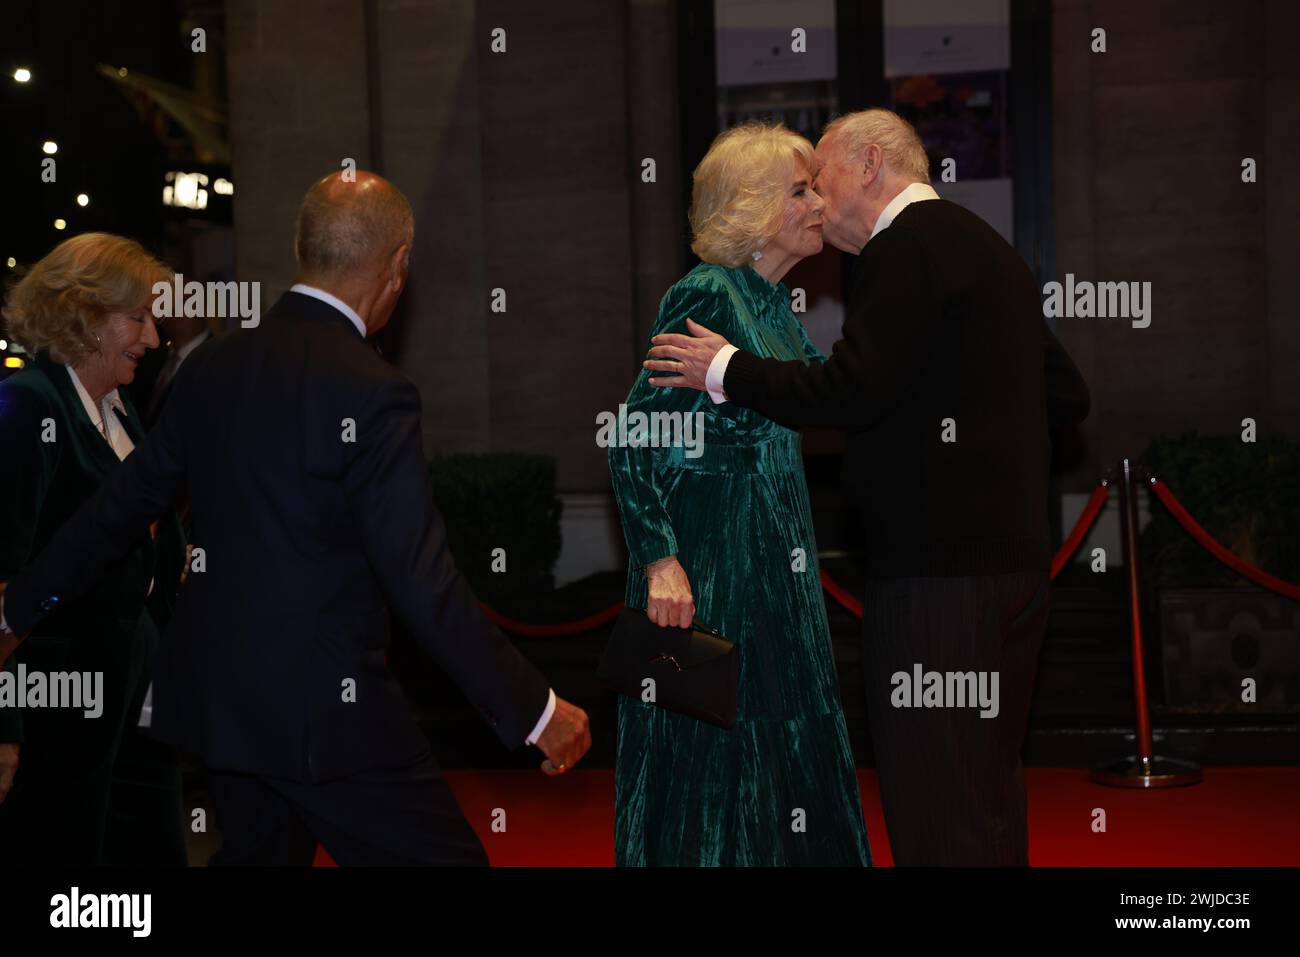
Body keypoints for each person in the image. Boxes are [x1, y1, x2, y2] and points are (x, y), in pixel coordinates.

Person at [0, 171, 591, 866]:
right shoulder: (376, 392)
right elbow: (422, 581)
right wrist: (537, 709)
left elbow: (115, 512)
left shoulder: (216, 367)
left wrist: (17, 609)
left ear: (298, 246)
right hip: (334, 720)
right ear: (397, 264)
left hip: (228, 713)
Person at [643, 108, 1091, 866]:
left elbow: (854, 391)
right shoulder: (988, 247)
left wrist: (726, 370)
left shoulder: (903, 248)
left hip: (938, 583)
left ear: (872, 164)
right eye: (801, 189)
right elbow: (1067, 395)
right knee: (984, 792)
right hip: (1015, 573)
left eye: (823, 179)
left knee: (938, 804)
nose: (818, 200)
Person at [608, 122, 871, 866]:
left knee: (777, 755)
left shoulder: (769, 302)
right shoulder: (706, 294)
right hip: (711, 572)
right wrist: (660, 559)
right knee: (709, 765)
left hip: (772, 573)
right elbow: (633, 437)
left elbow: (829, 397)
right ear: (753, 209)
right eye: (800, 190)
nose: (819, 202)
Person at [0, 232, 188, 865]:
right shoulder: (28, 405)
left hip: (134, 684)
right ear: (83, 316)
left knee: (149, 850)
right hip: (56, 700)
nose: (155, 338)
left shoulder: (117, 406)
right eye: (137, 318)